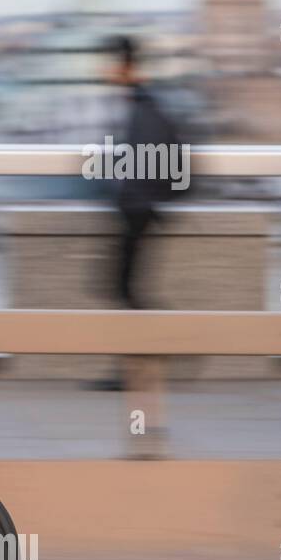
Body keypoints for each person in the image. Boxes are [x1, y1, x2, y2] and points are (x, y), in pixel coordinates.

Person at [89, 35, 184, 392]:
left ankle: (163, 350)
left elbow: (150, 159)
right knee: (124, 286)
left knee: (123, 286)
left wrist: (137, 197)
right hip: (136, 207)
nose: (102, 69)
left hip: (138, 209)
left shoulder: (143, 103)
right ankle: (162, 349)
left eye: (108, 61)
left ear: (124, 64)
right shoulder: (139, 100)